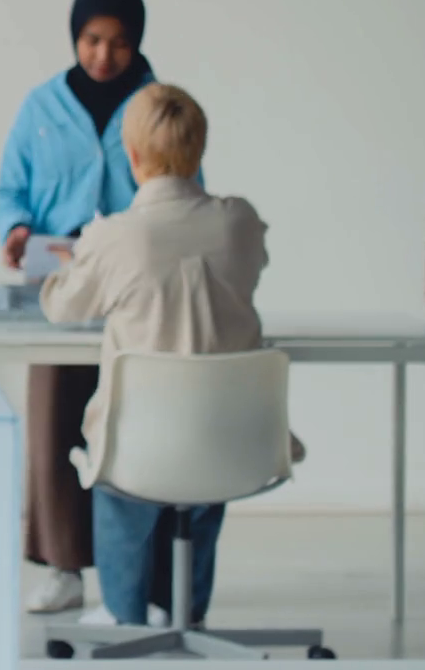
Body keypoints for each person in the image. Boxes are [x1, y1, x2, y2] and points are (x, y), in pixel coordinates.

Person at [39, 85, 266, 627]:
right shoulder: (240, 222)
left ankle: (125, 617)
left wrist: (75, 260)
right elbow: (253, 262)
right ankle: (185, 612)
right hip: (232, 442)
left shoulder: (115, 236)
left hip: (140, 449)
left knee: (123, 478)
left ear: (132, 157)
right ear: (199, 151)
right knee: (206, 481)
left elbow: (61, 307)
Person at [0, 0, 159, 617]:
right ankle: (62, 567)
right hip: (58, 292)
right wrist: (15, 231)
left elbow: (185, 183)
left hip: (137, 295)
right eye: (92, 39)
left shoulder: (158, 104)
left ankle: (136, 578)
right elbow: (10, 189)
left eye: (119, 43)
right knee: (56, 424)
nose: (103, 55)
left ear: (137, 42)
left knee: (137, 427)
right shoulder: (42, 107)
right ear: (75, 37)